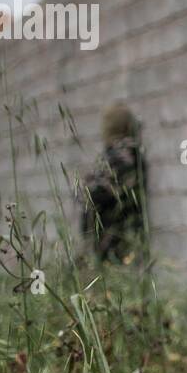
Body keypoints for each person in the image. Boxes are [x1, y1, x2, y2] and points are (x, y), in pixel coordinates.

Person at [79, 103, 148, 265]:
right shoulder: (119, 154)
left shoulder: (124, 155)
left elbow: (94, 193)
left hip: (116, 244)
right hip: (109, 242)